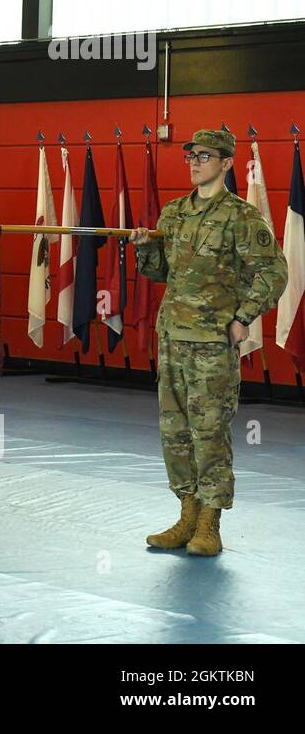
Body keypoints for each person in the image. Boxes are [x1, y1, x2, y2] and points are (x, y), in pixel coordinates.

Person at [130, 128, 286, 556]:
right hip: (173, 338)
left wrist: (243, 317)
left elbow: (274, 271)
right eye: (190, 156)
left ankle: (210, 524)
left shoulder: (242, 216)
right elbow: (163, 273)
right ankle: (187, 513)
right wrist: (145, 248)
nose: (195, 162)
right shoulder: (175, 213)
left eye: (204, 155)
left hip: (212, 343)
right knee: (174, 432)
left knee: (209, 431)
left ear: (227, 162)